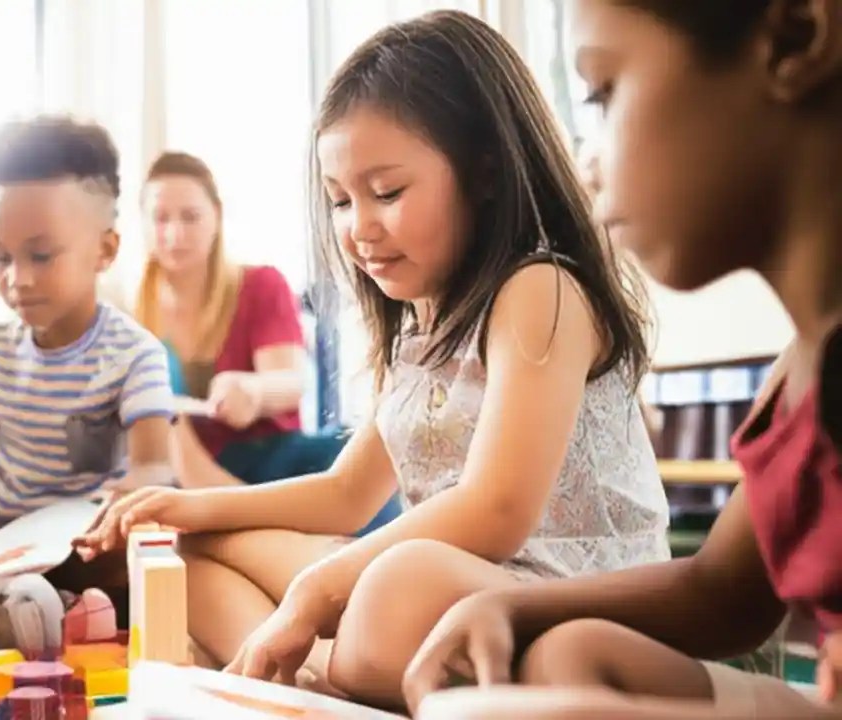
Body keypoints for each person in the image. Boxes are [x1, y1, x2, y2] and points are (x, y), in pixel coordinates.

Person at [77, 11, 669, 708]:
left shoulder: (539, 289)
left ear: (484, 172)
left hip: (558, 600)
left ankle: (319, 670)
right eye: (339, 201)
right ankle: (290, 677)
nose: (359, 228)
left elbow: (498, 510)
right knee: (195, 551)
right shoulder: (422, 326)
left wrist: (322, 587)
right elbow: (346, 493)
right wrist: (192, 506)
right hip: (451, 588)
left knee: (398, 582)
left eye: (387, 193)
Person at [403, 1, 842, 718]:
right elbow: (721, 595)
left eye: (604, 94)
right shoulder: (800, 370)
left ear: (795, 37)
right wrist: (513, 610)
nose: (588, 158)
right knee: (571, 653)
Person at [0, 117, 176, 616]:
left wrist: (115, 515)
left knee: (139, 565)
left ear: (105, 250)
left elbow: (154, 468)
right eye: (2, 257)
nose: (17, 279)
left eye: (41, 256)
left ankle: (37, 610)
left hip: (85, 546)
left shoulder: (134, 354)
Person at [135, 151, 402, 533]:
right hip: (194, 479)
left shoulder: (261, 285)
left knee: (356, 470)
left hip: (282, 471)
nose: (175, 234)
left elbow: (292, 382)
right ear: (143, 224)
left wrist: (254, 391)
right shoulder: (133, 316)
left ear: (217, 217)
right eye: (161, 218)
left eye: (190, 217)